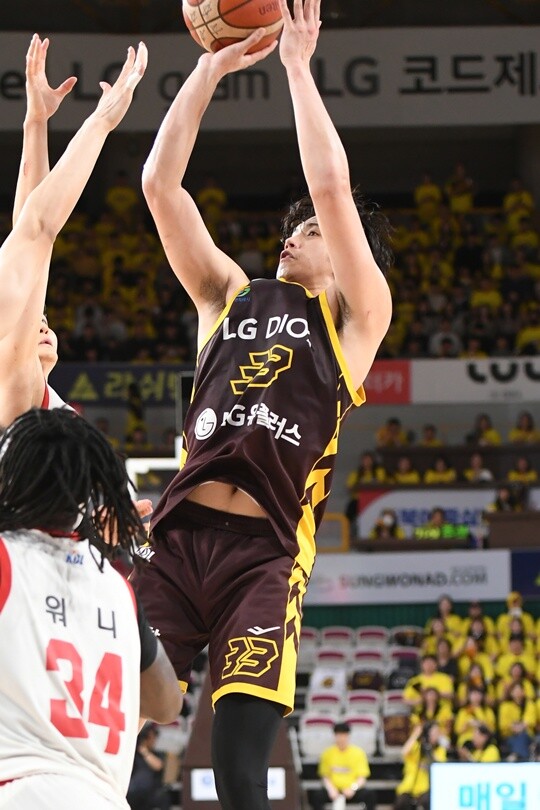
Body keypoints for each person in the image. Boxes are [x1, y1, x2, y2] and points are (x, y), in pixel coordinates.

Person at [134, 3, 393, 809]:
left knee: (241, 773)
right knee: (117, 724)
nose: (294, 235)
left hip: (265, 558)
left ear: (345, 254)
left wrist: (297, 70)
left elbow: (331, 186)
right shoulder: (229, 295)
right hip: (175, 543)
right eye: (293, 229)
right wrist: (207, 69)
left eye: (311, 232)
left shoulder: (356, 321)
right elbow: (159, 186)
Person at [0, 408, 182, 810]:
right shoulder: (117, 588)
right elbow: (166, 703)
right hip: (104, 798)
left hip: (22, 792)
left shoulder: (6, 559)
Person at [0, 35, 147, 429]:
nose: (41, 322)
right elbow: (35, 231)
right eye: (40, 318)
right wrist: (99, 122)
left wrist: (37, 123)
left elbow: (34, 231)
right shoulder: (17, 390)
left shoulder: (27, 391)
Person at [309, 721, 376, 810]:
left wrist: (353, 788)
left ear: (348, 735)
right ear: (335, 736)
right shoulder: (327, 753)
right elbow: (325, 776)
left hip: (352, 790)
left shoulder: (358, 753)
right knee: (317, 796)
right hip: (334, 790)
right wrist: (331, 789)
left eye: (344, 735)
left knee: (370, 795)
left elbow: (362, 778)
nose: (341, 738)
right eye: (339, 735)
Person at [393, 722, 447, 810]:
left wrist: (429, 751)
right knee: (401, 802)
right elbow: (404, 752)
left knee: (428, 801)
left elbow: (440, 765)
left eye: (438, 732)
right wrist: (416, 734)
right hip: (410, 786)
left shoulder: (440, 749)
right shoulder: (417, 747)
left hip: (426, 788)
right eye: (434, 732)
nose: (436, 735)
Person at [127, 724, 170, 810]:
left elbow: (158, 766)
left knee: (163, 797)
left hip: (151, 791)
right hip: (133, 791)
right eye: (150, 738)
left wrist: (145, 752)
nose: (154, 741)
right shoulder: (133, 754)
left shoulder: (158, 754)